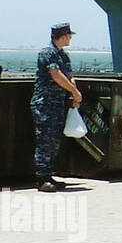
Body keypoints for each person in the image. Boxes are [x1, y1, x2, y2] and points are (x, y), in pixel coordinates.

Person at [32, 22, 82, 192]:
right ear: (62, 36)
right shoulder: (47, 53)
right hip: (45, 103)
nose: (70, 38)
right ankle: (41, 178)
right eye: (68, 35)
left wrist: (73, 93)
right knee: (45, 140)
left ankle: (49, 174)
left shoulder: (63, 55)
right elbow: (56, 75)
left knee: (54, 141)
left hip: (58, 103)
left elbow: (69, 75)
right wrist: (74, 92)